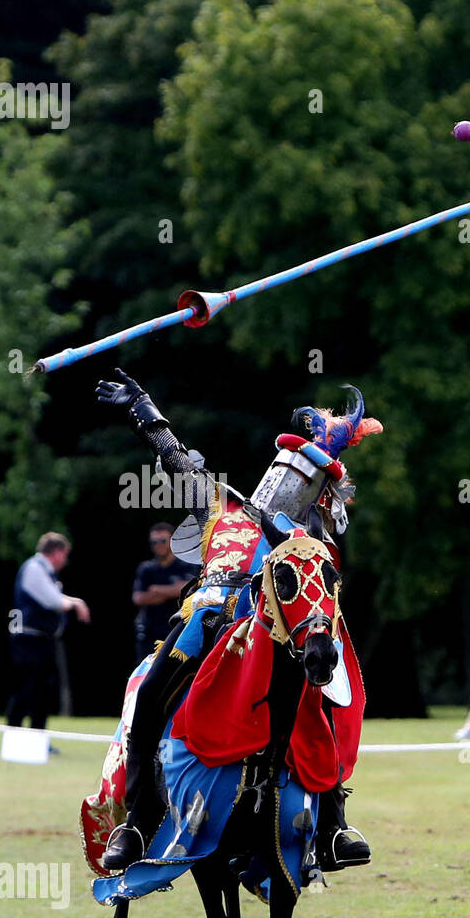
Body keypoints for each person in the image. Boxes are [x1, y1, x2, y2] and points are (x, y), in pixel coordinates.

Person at [93, 369, 377, 875]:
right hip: (206, 622)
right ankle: (137, 819)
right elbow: (177, 460)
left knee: (327, 693)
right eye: (282, 467)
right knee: (151, 691)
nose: (282, 480)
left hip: (272, 633)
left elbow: (315, 595)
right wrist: (143, 409)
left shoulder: (310, 536)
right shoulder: (222, 505)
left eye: (298, 476)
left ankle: (333, 823)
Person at [6, 533, 91, 731]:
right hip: (28, 640)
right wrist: (76, 604)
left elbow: (55, 596)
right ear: (58, 552)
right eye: (65, 554)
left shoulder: (45, 571)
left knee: (42, 692)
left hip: (42, 640)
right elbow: (52, 600)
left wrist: (75, 602)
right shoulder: (34, 568)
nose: (65, 560)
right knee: (25, 690)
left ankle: (37, 739)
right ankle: (13, 736)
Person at [132, 522, 194, 663]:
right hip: (150, 634)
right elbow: (138, 598)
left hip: (177, 632)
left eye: (163, 541)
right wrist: (172, 591)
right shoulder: (146, 569)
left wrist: (156, 590)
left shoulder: (186, 565)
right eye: (154, 542)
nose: (158, 545)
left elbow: (187, 589)